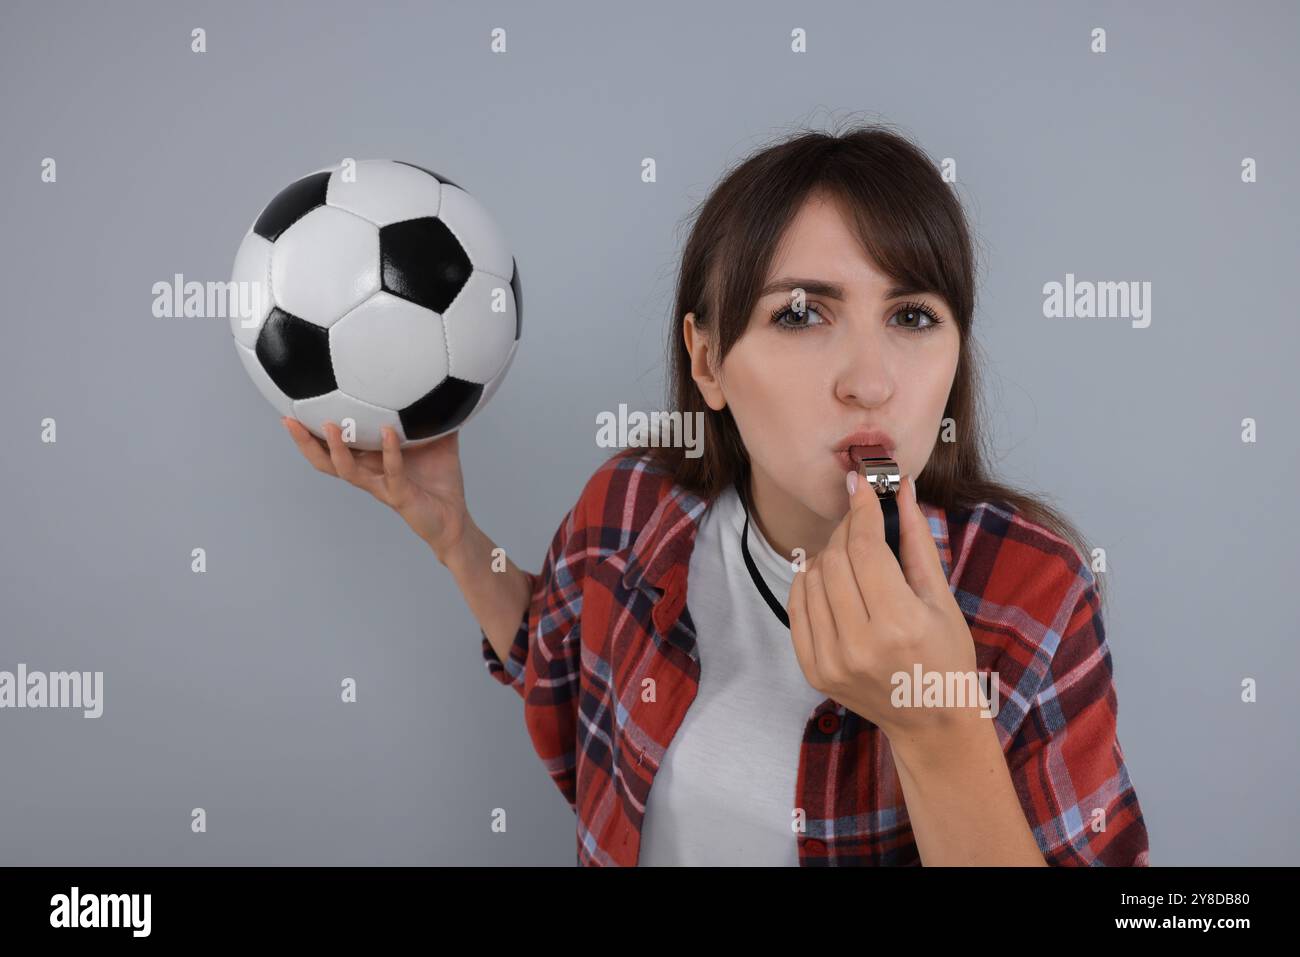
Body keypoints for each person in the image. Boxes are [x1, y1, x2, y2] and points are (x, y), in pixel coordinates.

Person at [282, 121, 1150, 867]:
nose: (871, 381)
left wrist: (936, 727)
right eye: (802, 313)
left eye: (913, 316)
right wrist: (455, 536)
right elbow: (557, 666)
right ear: (706, 361)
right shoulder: (633, 505)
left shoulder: (1035, 595)